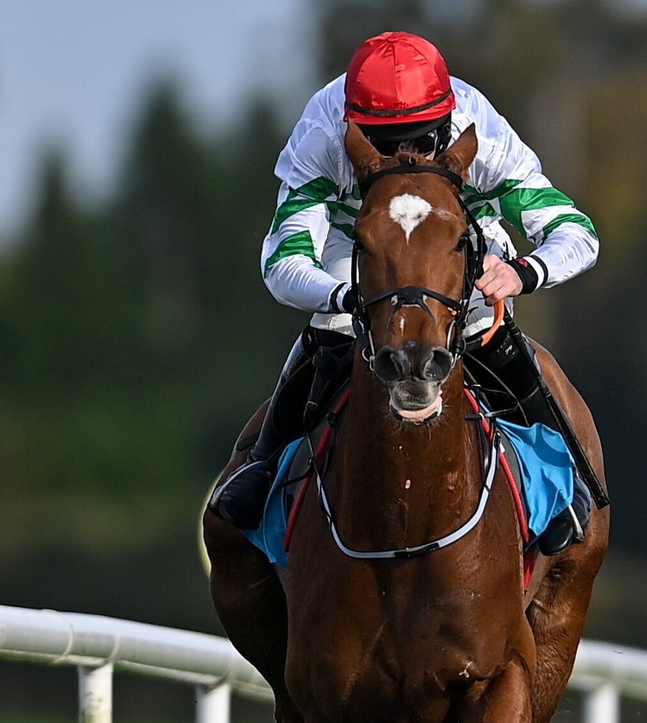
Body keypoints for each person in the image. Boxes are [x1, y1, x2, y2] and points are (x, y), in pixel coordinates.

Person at [208, 31, 600, 554]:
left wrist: (524, 272)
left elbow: (578, 233)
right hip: (362, 240)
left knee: (484, 318)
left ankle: (567, 479)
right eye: (387, 145)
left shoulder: (480, 128)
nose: (407, 157)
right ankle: (263, 464)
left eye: (422, 138)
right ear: (355, 132)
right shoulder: (322, 135)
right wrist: (346, 298)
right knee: (334, 326)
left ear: (448, 121)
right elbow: (284, 260)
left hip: (453, 234)